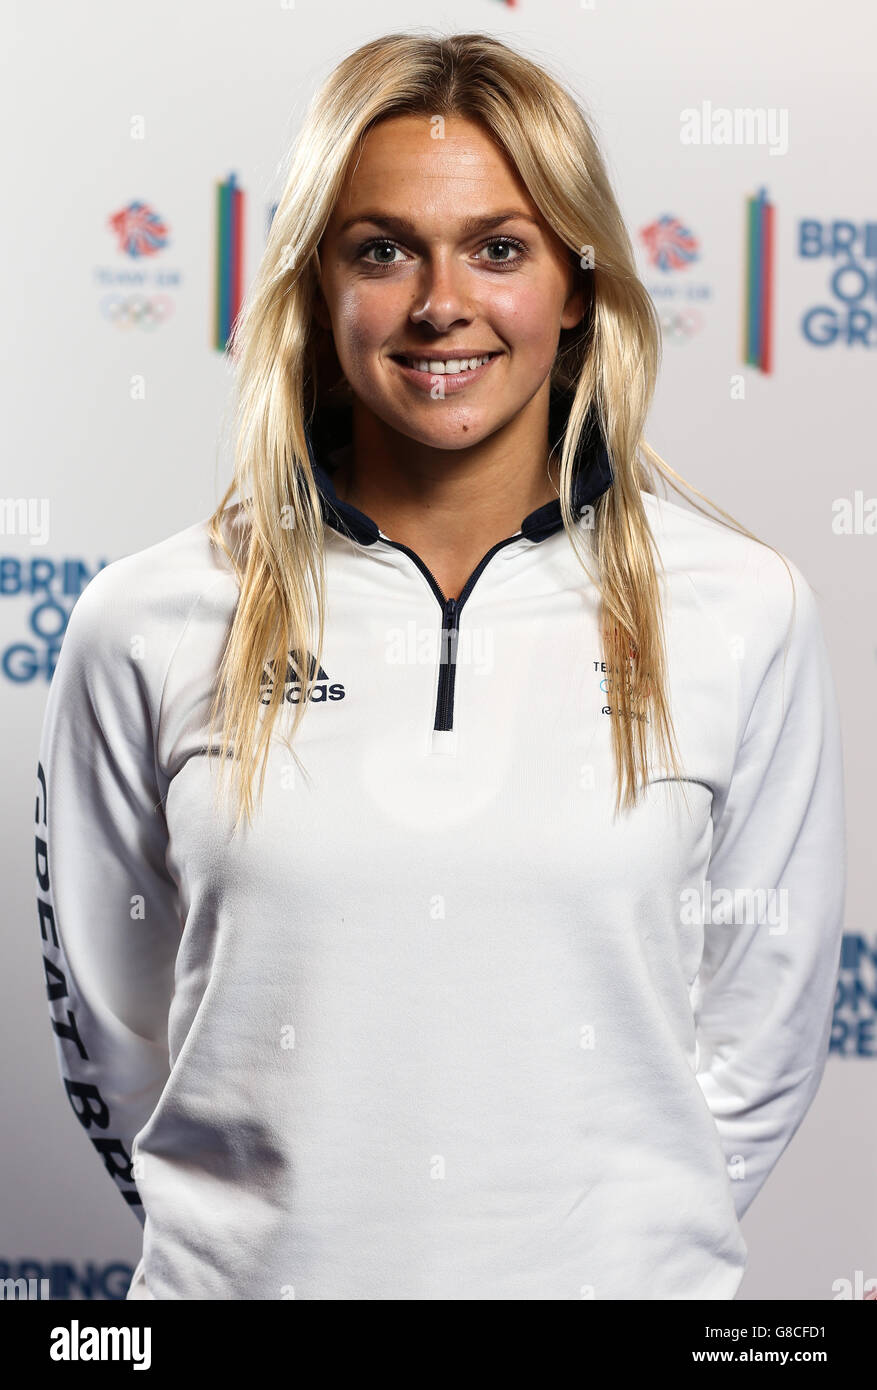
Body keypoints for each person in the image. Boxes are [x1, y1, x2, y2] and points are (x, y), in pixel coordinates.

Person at [33, 31, 845, 1301]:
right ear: (316, 283)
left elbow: (759, 1039)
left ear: (576, 286)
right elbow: (124, 1050)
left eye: (499, 247)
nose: (439, 302)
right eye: (382, 248)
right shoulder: (148, 616)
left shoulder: (745, 608)